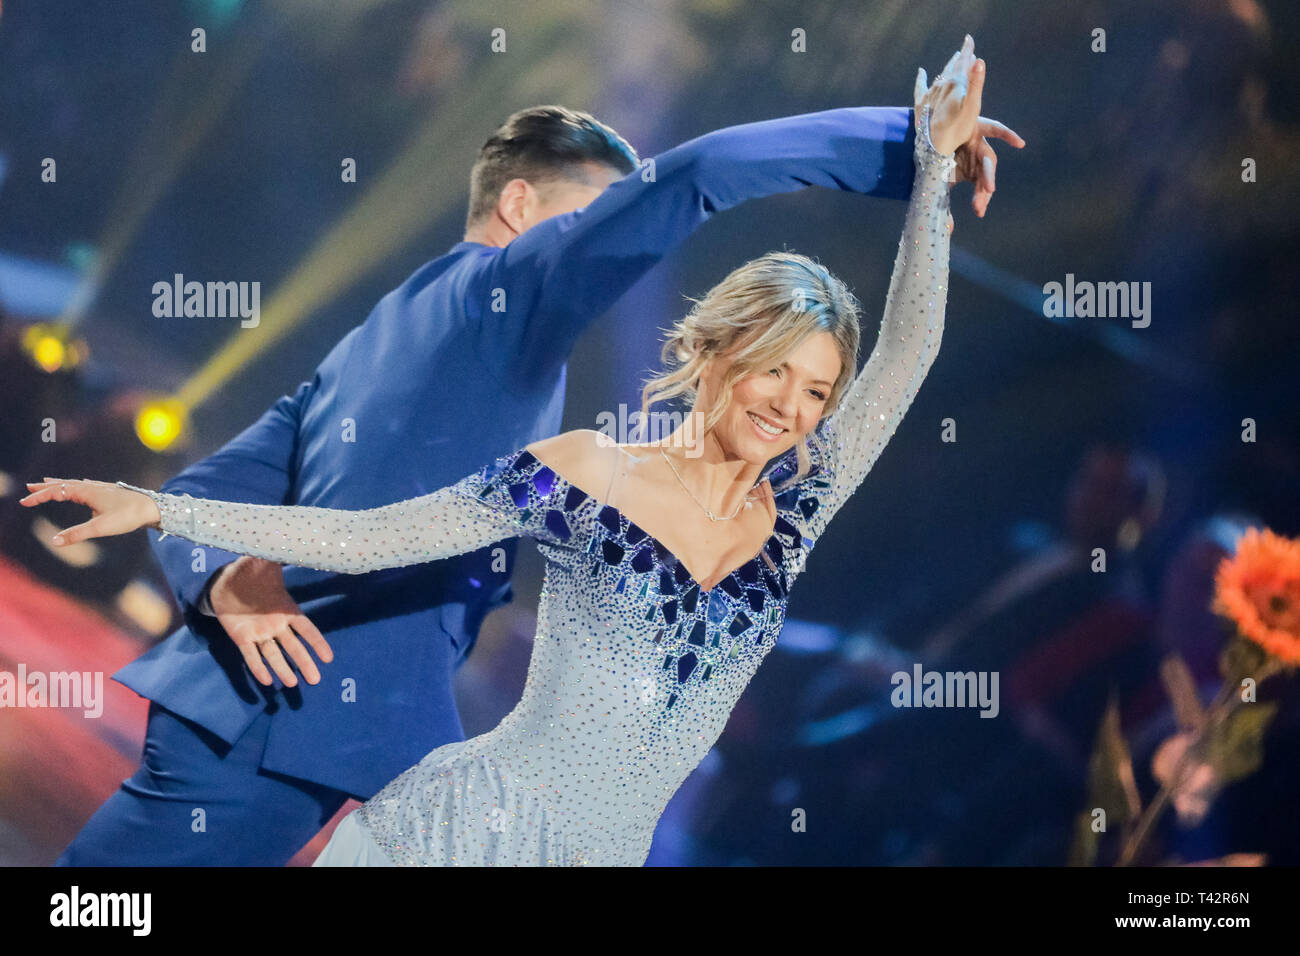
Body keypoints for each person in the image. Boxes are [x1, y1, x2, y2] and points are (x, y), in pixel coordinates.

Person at [33, 38, 1014, 865]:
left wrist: (213, 568)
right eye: (593, 219)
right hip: (340, 754)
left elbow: (904, 359)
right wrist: (912, 145)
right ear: (518, 210)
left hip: (330, 734)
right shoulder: (523, 337)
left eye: (815, 390)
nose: (610, 250)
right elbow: (701, 177)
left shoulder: (397, 329)